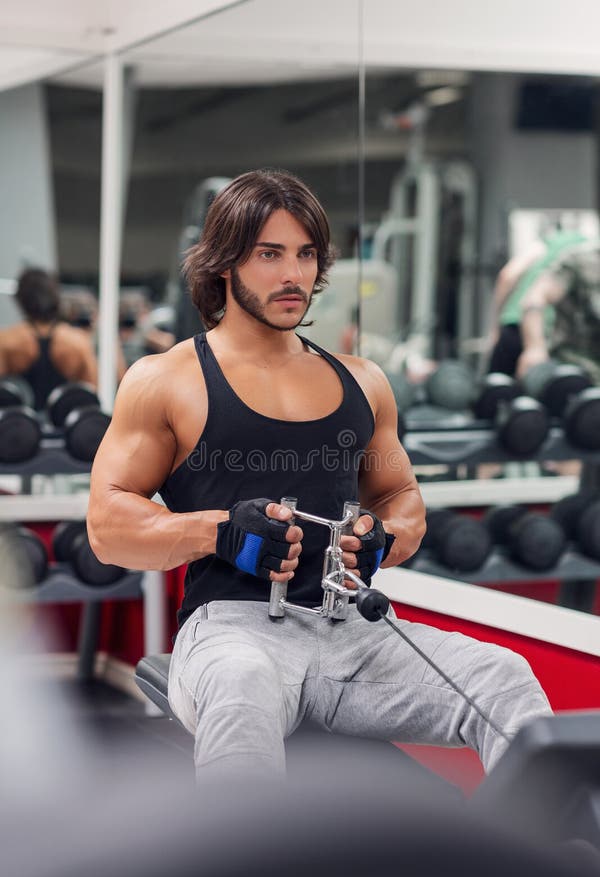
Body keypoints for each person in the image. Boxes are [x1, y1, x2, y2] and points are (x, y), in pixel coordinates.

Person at [87, 169, 551, 778]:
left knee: (504, 678)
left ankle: (549, 863)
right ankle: (248, 873)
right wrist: (220, 530)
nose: (293, 275)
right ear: (225, 263)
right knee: (243, 684)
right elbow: (106, 523)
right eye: (270, 254)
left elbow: (400, 496)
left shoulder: (362, 381)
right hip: (233, 633)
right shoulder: (167, 379)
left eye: (306, 254)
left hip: (351, 634)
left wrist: (382, 536)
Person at [487, 228, 593, 379]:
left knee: (497, 390)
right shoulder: (584, 250)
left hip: (514, 325)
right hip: (544, 332)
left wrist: (494, 328)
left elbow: (508, 275)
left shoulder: (549, 242)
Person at [0, 268, 97, 409]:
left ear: (21, 301)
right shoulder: (78, 341)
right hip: (64, 429)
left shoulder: (7, 341)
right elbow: (92, 395)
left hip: (22, 428)